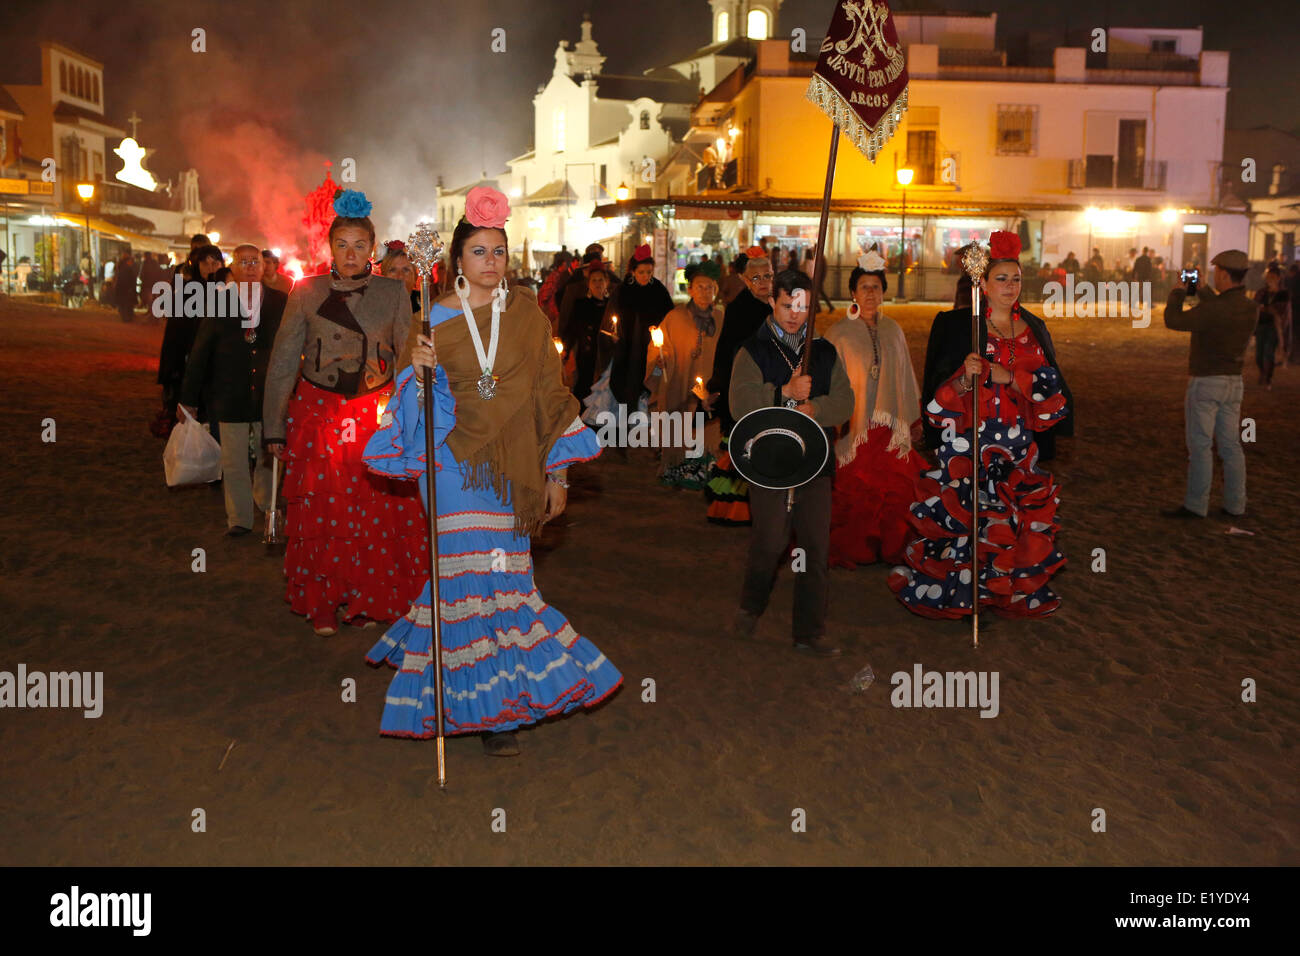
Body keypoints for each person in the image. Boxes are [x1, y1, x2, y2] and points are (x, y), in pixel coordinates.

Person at [362, 186, 622, 757]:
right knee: (461, 591)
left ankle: (500, 708)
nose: (491, 262)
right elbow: (406, 413)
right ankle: (466, 706)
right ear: (458, 260)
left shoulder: (527, 318)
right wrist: (419, 374)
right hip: (451, 469)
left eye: (499, 251)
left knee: (506, 587)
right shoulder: (428, 320)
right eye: (479, 252)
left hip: (513, 471)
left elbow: (550, 398)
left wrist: (559, 474)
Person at [262, 189, 427, 636]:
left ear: (371, 250)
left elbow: (409, 358)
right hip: (319, 417)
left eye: (359, 245)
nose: (350, 254)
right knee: (323, 517)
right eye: (342, 245)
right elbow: (282, 362)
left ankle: (369, 598)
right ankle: (322, 604)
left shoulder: (394, 293)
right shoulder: (306, 291)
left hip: (373, 416)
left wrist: (410, 418)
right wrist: (274, 426)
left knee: (373, 516)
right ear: (329, 248)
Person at [891, 230, 1072, 618]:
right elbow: (938, 396)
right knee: (968, 521)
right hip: (968, 443)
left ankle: (1001, 592)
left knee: (1010, 521)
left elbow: (1052, 390)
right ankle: (963, 596)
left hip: (1017, 447)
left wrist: (1007, 376)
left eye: (1016, 279)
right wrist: (964, 377)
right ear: (983, 285)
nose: (1010, 286)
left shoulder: (1035, 329)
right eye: (1001, 279)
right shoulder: (960, 328)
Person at [728, 269, 854, 656]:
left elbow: (846, 402)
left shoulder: (825, 352)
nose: (795, 313)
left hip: (814, 463)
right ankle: (750, 606)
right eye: (787, 305)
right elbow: (739, 403)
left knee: (815, 548)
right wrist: (782, 392)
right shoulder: (753, 350)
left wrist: (815, 407)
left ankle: (808, 632)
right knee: (770, 542)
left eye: (802, 306)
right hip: (767, 462)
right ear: (772, 302)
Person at [824, 256, 928, 567]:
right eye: (864, 287)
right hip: (855, 427)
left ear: (883, 292)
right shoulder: (838, 333)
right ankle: (862, 546)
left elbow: (906, 375)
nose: (870, 294)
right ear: (852, 293)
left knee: (896, 487)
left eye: (876, 287)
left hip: (889, 426)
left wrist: (913, 418)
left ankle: (891, 546)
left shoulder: (894, 330)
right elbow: (829, 383)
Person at [179, 244, 289, 534]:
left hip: (268, 392)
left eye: (255, 261)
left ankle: (268, 507)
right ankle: (239, 519)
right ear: (233, 268)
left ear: (265, 267)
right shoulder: (218, 302)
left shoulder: (281, 301)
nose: (251, 266)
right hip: (229, 392)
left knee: (268, 455)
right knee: (234, 459)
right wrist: (187, 400)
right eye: (243, 262)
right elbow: (200, 351)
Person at [1161, 249, 1258, 519]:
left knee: (1201, 446)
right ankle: (1236, 504)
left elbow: (1174, 320)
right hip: (1234, 382)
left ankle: (1196, 505)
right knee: (1231, 446)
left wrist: (1179, 292)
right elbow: (1220, 310)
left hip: (1206, 381)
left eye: (1217, 272)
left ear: (1225, 274)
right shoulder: (1250, 308)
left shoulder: (1215, 309)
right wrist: (1203, 291)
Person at [703, 247, 774, 525]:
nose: (764, 282)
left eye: (767, 275)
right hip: (746, 390)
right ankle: (739, 509)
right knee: (746, 448)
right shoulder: (738, 309)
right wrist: (718, 386)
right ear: (745, 281)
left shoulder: (780, 304)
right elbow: (725, 352)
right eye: (756, 278)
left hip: (774, 388)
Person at [645, 270, 724, 488]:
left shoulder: (720, 317)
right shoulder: (675, 317)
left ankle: (705, 469)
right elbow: (659, 348)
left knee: (706, 427)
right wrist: (660, 361)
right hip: (680, 382)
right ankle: (676, 466)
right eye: (700, 287)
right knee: (678, 424)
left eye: (710, 287)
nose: (705, 292)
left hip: (709, 384)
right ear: (689, 289)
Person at [158, 244, 224, 429]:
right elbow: (175, 332)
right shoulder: (187, 291)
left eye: (215, 262)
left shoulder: (229, 291)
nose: (211, 267)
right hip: (190, 362)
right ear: (197, 265)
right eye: (205, 263)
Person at [606, 244, 675, 417]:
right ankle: (626, 422)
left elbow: (669, 315)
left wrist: (660, 330)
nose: (645, 276)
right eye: (642, 272)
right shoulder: (623, 290)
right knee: (627, 384)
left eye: (649, 272)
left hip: (651, 346)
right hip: (628, 346)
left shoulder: (658, 289)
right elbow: (612, 316)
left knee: (650, 384)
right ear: (633, 272)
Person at [559, 262, 610, 405]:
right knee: (585, 393)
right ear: (588, 284)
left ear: (607, 282)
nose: (598, 284)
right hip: (587, 357)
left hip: (607, 358)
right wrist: (566, 350)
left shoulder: (612, 305)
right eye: (594, 280)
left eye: (601, 280)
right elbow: (571, 330)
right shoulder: (581, 305)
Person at [1253, 266, 1288, 389]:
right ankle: (1263, 373)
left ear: (1278, 278)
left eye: (1272, 277)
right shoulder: (1262, 292)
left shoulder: (1283, 293)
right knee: (1259, 355)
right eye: (1268, 277)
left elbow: (1280, 310)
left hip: (1274, 327)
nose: (1269, 279)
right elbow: (1255, 306)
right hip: (1261, 325)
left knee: (1268, 352)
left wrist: (1266, 308)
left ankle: (1268, 378)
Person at [114, 252, 138, 323]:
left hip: (121, 288)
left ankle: (125, 317)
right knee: (126, 304)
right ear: (128, 261)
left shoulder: (120, 267)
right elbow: (131, 279)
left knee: (123, 304)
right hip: (126, 289)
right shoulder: (127, 268)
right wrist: (131, 288)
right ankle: (126, 318)